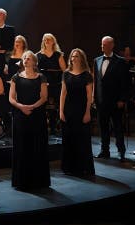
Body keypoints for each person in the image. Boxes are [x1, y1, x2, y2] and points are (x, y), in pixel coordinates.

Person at [9, 50, 50, 190]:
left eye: (28, 58)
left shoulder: (41, 77)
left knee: (36, 146)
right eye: (24, 58)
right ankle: (22, 180)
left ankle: (38, 180)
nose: (26, 60)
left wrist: (32, 107)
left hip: (37, 115)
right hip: (20, 115)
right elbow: (11, 98)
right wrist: (22, 107)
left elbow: (44, 97)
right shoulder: (16, 77)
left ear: (34, 62)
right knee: (22, 147)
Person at [92, 36, 130, 161]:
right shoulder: (97, 60)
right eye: (102, 44)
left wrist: (122, 99)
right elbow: (96, 81)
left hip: (115, 101)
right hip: (101, 100)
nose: (102, 46)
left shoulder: (120, 61)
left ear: (112, 45)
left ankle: (121, 151)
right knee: (103, 127)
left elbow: (125, 83)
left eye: (105, 44)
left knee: (118, 127)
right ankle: (105, 150)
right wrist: (94, 98)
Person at [60, 48, 95, 177]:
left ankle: (83, 167)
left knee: (82, 140)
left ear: (81, 59)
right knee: (69, 139)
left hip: (81, 110)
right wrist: (61, 111)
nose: (73, 58)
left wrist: (87, 113)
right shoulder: (66, 74)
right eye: (72, 56)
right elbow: (63, 94)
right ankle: (69, 167)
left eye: (76, 56)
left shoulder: (87, 75)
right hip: (68, 110)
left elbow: (89, 96)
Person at [37, 33, 67, 136]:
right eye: (45, 40)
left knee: (54, 106)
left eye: (49, 40)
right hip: (43, 84)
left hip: (56, 83)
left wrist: (64, 82)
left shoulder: (58, 55)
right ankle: (43, 127)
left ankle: (54, 128)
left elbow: (64, 70)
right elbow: (36, 71)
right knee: (43, 105)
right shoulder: (38, 55)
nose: (47, 41)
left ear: (53, 41)